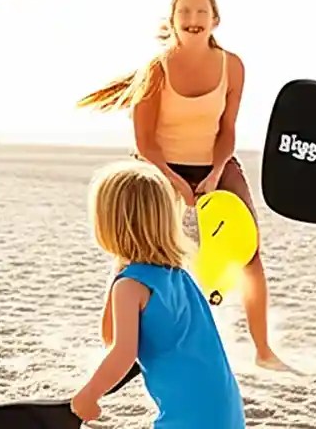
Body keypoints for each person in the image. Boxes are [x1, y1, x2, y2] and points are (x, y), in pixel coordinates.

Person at [77, 0, 289, 371]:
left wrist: (216, 173)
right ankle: (113, 343)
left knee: (249, 250)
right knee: (133, 251)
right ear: (173, 22)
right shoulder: (156, 70)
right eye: (185, 13)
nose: (193, 20)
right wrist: (173, 180)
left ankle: (263, 351)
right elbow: (144, 141)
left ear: (215, 20)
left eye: (201, 12)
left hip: (215, 164)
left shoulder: (233, 66)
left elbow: (227, 130)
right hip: (158, 166)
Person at [70, 159, 246, 428]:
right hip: (225, 410)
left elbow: (122, 353)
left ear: (109, 224)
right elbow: (110, 335)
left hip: (190, 420)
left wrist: (89, 395)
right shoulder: (179, 276)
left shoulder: (130, 286)